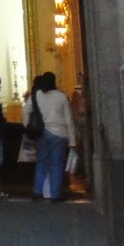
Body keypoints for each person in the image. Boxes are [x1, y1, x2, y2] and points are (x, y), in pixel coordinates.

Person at [23, 70, 75, 201]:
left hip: (42, 132)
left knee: (41, 162)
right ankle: (55, 194)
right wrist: (72, 140)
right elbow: (69, 119)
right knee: (56, 164)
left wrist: (27, 127)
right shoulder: (61, 96)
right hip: (59, 133)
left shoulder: (36, 95)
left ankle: (37, 191)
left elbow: (25, 110)